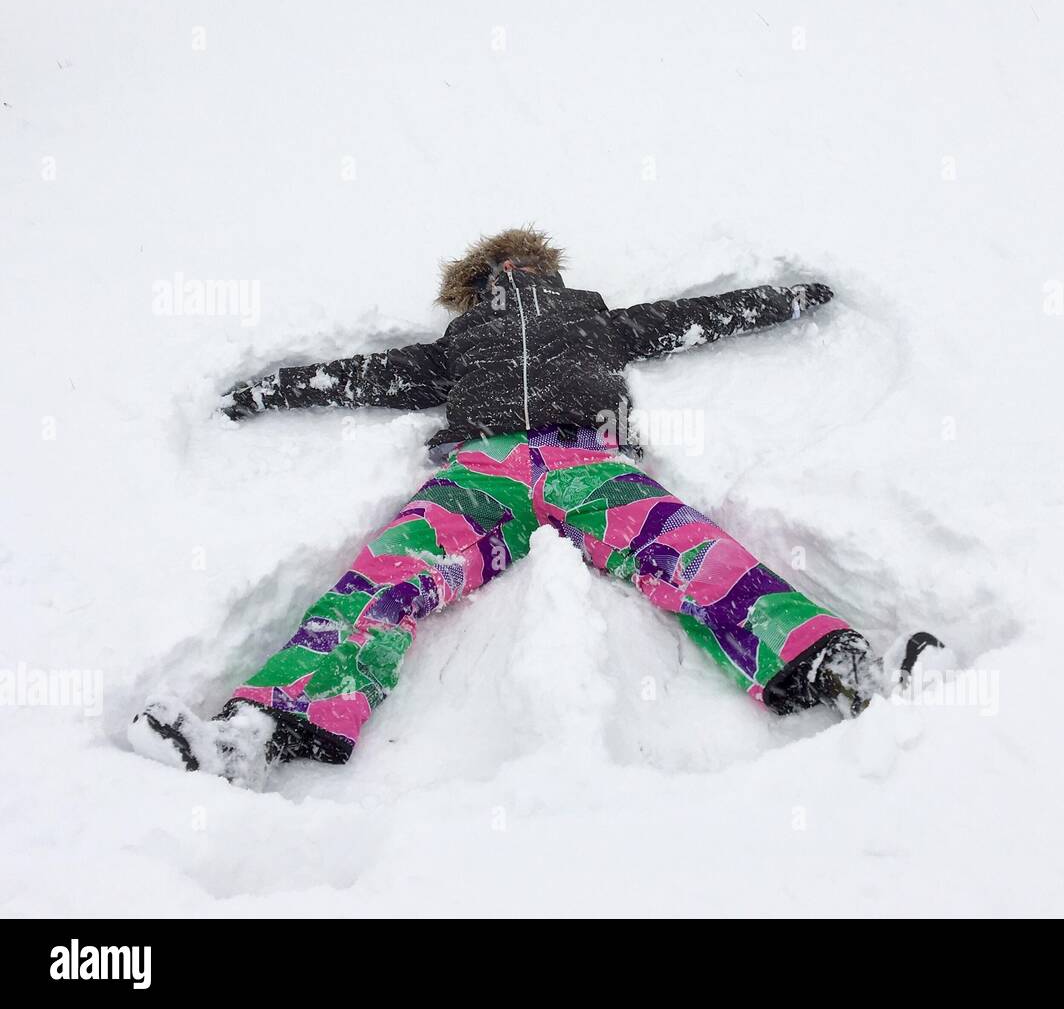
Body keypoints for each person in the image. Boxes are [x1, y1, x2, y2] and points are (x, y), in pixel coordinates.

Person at [129, 227, 940, 789]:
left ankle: (840, 665)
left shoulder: (591, 315)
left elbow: (689, 319)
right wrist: (271, 389)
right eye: (501, 266)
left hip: (590, 457)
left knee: (694, 552)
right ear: (480, 282)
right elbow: (365, 374)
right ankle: (256, 734)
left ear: (546, 270)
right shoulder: (458, 345)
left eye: (526, 262)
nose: (515, 272)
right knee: (387, 572)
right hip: (483, 472)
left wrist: (788, 298)